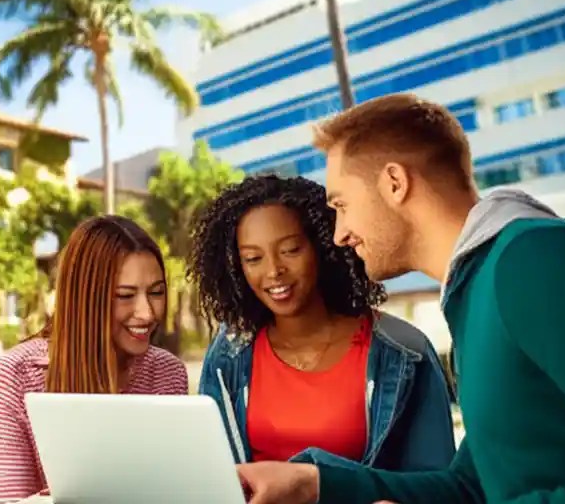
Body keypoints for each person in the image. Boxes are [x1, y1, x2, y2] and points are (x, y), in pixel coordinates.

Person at [237, 92, 565, 504]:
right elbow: (472, 488)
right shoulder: (476, 293)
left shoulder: (535, 260)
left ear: (394, 183)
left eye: (342, 205)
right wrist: (311, 484)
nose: (339, 234)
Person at [192, 174, 455, 471]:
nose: (274, 270)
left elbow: (437, 482)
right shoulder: (229, 354)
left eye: (290, 250)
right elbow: (213, 468)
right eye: (253, 258)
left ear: (321, 248)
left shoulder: (405, 352)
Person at [0, 214, 189, 499]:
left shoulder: (167, 372)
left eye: (156, 292)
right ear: (85, 299)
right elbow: (10, 500)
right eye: (125, 295)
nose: (147, 313)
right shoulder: (10, 378)